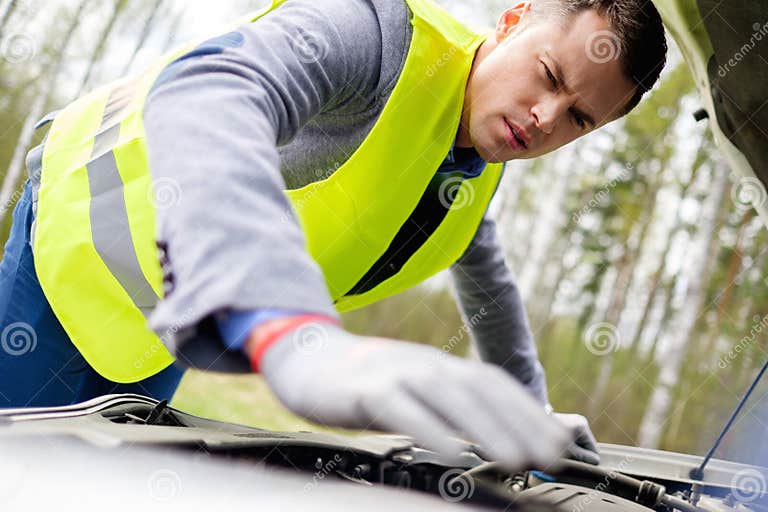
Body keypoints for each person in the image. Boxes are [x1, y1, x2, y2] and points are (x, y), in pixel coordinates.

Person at [0, 0, 666, 469]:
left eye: (579, 118)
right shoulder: (375, 33)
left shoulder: (474, 165)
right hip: (66, 253)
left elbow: (484, 274)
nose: (546, 118)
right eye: (550, 76)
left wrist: (529, 415)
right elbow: (207, 89)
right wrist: (285, 327)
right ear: (514, 19)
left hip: (161, 328)